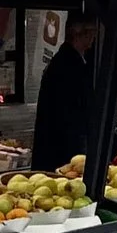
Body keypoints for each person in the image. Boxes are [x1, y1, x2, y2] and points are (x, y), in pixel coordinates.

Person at [28, 15, 104, 174]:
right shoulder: (70, 64)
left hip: (56, 142)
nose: (93, 37)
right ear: (80, 34)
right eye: (91, 32)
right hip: (64, 146)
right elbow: (75, 109)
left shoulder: (65, 59)